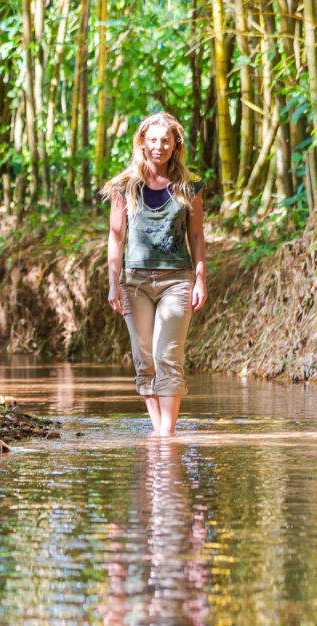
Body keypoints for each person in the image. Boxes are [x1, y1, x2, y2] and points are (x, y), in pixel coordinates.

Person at [101, 112, 207, 437]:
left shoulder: (188, 187)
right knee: (144, 357)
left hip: (177, 280)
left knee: (168, 354)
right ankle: (160, 430)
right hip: (134, 282)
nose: (159, 146)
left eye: (166, 140)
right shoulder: (125, 187)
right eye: (153, 140)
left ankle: (166, 435)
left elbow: (197, 236)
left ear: (176, 145)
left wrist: (201, 278)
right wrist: (112, 283)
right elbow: (116, 237)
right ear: (142, 143)